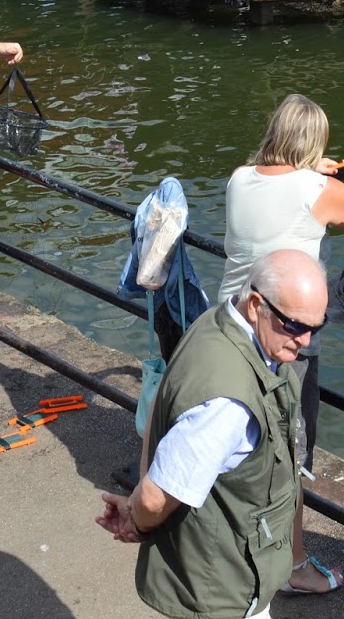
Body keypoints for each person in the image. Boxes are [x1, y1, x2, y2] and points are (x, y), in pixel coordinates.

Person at [97, 249, 326, 619]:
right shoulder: (228, 405)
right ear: (255, 305)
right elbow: (157, 499)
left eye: (318, 326)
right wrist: (138, 519)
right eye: (295, 326)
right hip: (221, 589)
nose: (306, 340)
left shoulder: (214, 323)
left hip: (230, 573)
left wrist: (139, 488)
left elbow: (160, 401)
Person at [219, 94, 344, 597]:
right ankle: (293, 565)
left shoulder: (239, 178)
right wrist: (326, 180)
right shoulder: (319, 189)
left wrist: (310, 170)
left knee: (235, 443)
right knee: (290, 453)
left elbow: (275, 179)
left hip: (228, 327)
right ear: (315, 144)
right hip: (285, 338)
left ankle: (227, 543)